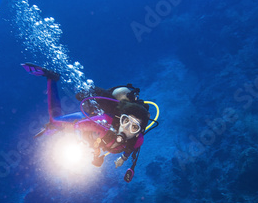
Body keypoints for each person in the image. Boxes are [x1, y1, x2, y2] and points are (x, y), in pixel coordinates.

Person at [22, 63, 157, 182]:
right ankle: (51, 77)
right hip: (90, 118)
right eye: (126, 121)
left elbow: (129, 150)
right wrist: (81, 142)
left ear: (138, 131)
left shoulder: (137, 140)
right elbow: (78, 126)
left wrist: (122, 159)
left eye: (134, 127)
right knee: (55, 121)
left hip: (96, 135)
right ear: (120, 118)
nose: (127, 128)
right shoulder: (103, 123)